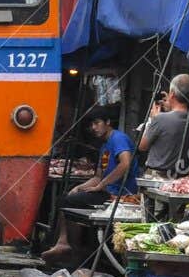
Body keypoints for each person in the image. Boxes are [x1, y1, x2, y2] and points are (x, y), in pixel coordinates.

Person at [40, 107, 135, 266]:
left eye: (97, 123)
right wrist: (79, 187)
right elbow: (98, 176)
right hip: (105, 191)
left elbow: (125, 163)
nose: (94, 128)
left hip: (120, 194)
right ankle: (64, 243)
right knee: (66, 197)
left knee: (69, 202)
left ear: (108, 122)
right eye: (91, 125)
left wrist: (101, 185)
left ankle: (70, 246)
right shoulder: (104, 146)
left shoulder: (118, 138)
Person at [138, 74, 189, 176]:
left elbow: (142, 146)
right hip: (183, 176)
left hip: (158, 176)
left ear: (172, 94)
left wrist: (152, 120)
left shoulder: (160, 119)